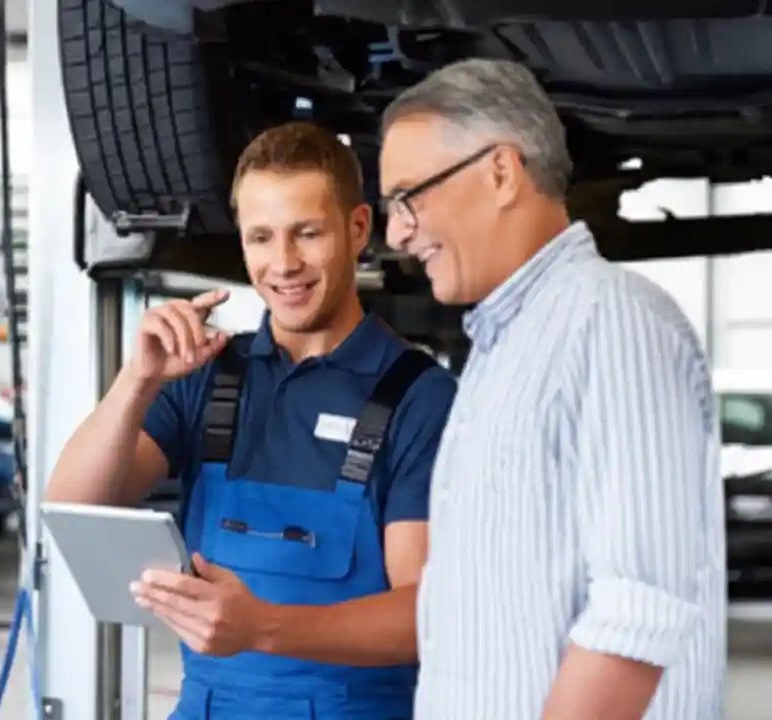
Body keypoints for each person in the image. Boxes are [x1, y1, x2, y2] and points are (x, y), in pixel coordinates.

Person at [46, 121, 458, 719]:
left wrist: (262, 628)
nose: (283, 263)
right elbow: (73, 504)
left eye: (307, 233)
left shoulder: (420, 399)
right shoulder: (209, 375)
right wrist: (135, 381)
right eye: (261, 237)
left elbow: (426, 615)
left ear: (358, 228)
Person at [377, 58, 726, 719]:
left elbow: (636, 614)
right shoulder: (505, 345)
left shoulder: (613, 321)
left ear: (501, 173)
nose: (397, 233)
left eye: (408, 197)